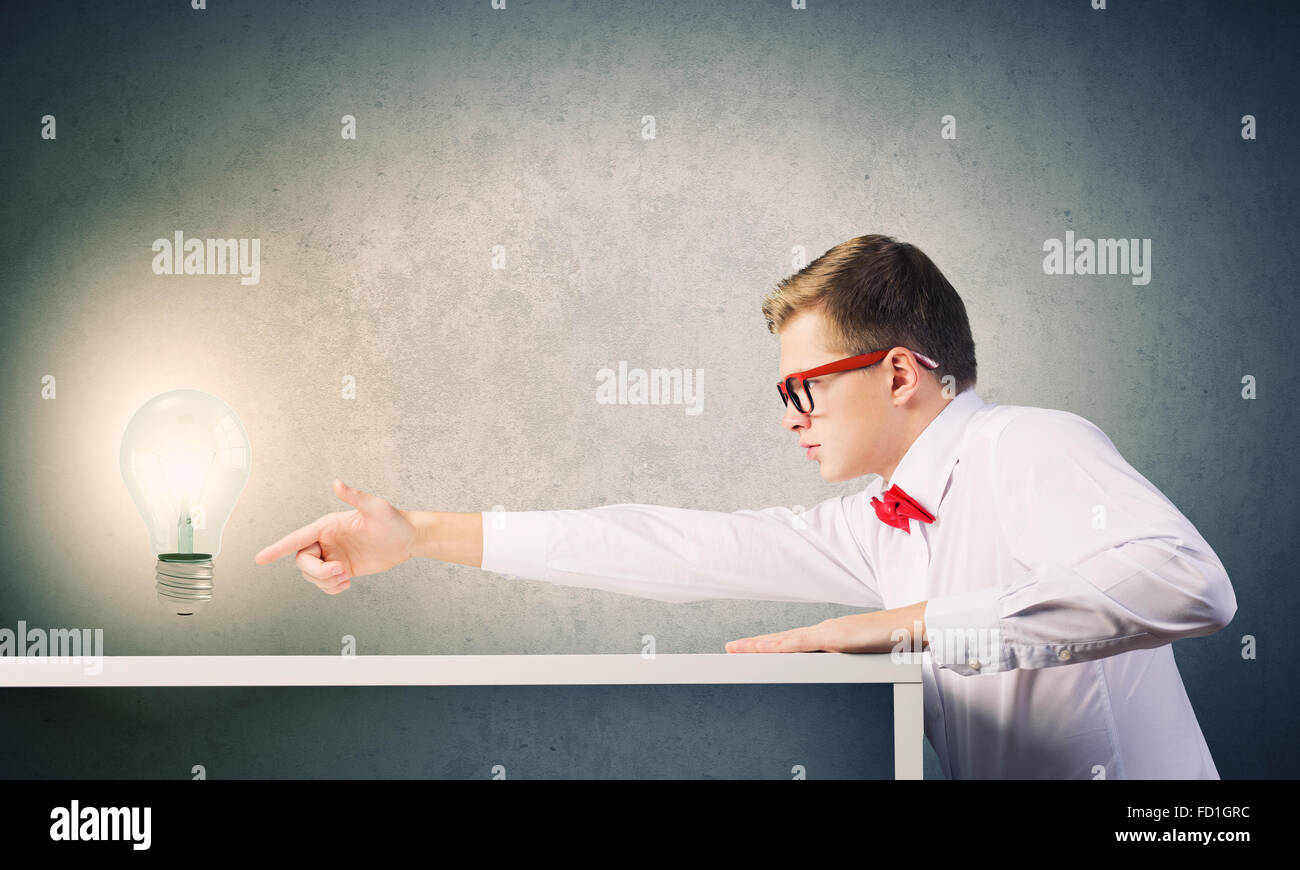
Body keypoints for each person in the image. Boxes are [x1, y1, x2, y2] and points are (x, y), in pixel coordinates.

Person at [254, 233, 1237, 779]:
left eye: (800, 389)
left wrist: (907, 629)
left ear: (898, 373)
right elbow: (673, 548)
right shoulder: (883, 520)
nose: (790, 419)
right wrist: (421, 535)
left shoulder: (1026, 445)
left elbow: (1190, 583)